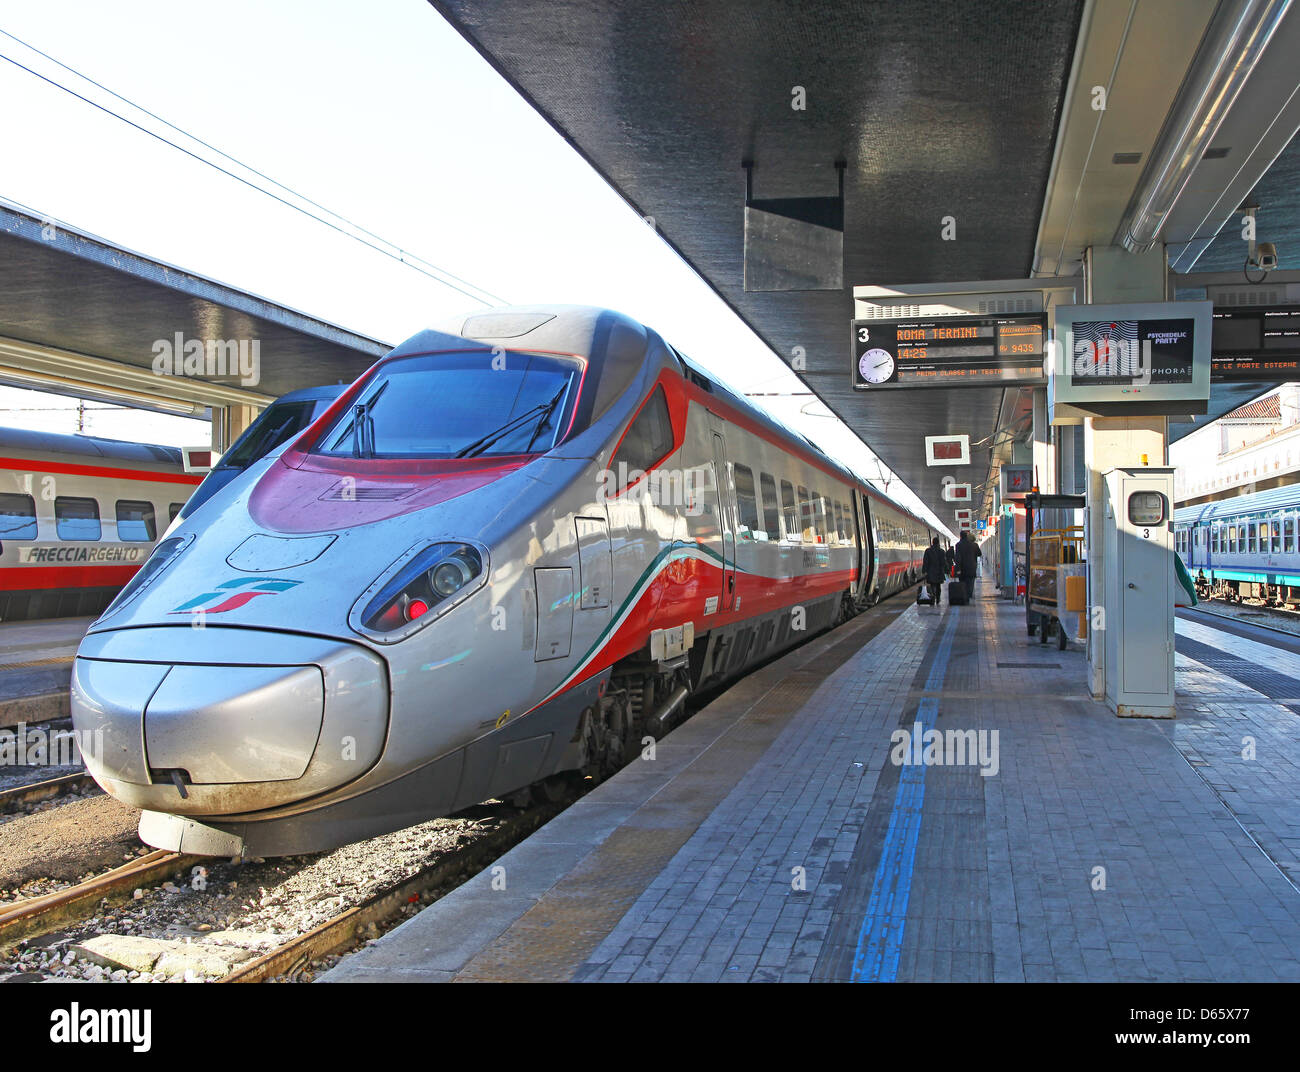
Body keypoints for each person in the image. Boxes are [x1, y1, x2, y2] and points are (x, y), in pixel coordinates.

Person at [956, 531, 980, 601]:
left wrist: (958, 569)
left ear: (960, 536)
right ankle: (969, 595)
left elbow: (958, 558)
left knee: (963, 583)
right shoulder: (974, 545)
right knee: (971, 582)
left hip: (962, 568)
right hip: (972, 567)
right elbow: (979, 553)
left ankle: (964, 595)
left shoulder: (958, 545)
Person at [921, 536, 946, 606]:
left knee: (932, 585)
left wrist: (924, 571)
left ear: (932, 542)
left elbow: (925, 561)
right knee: (938, 586)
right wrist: (947, 570)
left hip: (931, 571)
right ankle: (938, 599)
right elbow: (944, 562)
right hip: (939, 572)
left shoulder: (928, 551)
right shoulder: (942, 551)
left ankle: (933, 598)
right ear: (938, 543)